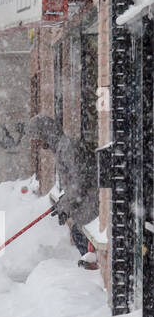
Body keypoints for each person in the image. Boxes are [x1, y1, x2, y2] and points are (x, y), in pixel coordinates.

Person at [25, 114, 100, 268]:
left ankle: (93, 273)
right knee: (79, 233)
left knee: (81, 234)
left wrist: (65, 205)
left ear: (44, 133)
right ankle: (91, 268)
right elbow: (75, 183)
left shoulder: (67, 148)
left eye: (37, 138)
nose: (38, 144)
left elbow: (79, 182)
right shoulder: (62, 148)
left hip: (92, 201)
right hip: (86, 200)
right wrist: (63, 202)